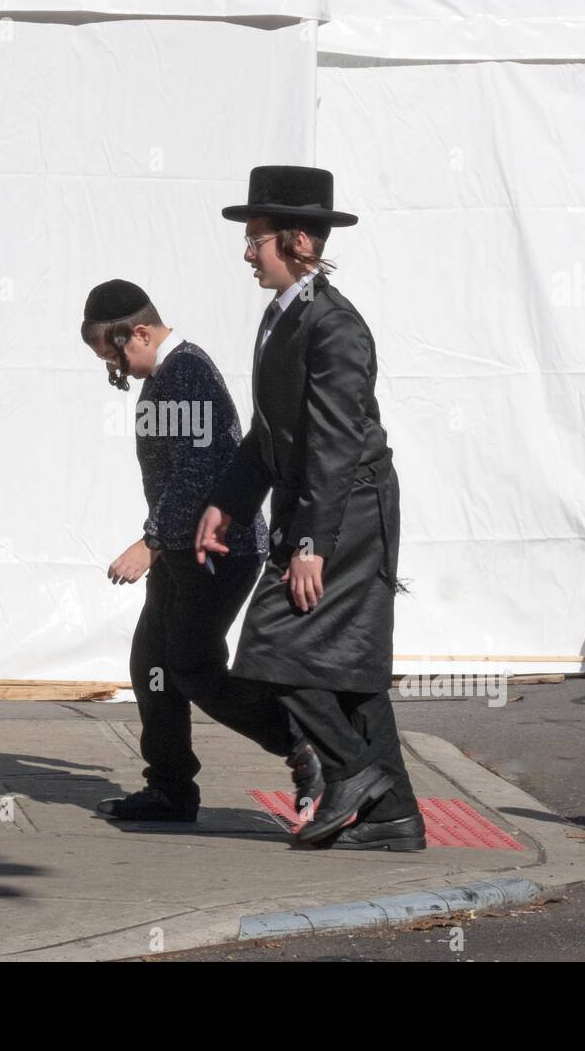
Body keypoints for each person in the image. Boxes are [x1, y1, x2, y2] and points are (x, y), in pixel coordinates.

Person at [195, 166, 425, 851]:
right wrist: (229, 502)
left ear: (295, 240)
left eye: (256, 239)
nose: (246, 253)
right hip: (324, 507)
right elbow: (274, 430)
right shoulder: (284, 315)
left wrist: (310, 544)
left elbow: (333, 441)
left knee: (272, 645)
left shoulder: (336, 327)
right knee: (347, 671)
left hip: (348, 511)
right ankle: (395, 820)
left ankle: (355, 774)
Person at [80, 279, 322, 823]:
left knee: (194, 668)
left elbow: (196, 473)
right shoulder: (168, 373)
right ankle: (170, 789)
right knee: (153, 664)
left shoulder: (183, 372)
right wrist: (162, 542)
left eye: (113, 354)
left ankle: (307, 745)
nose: (113, 369)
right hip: (182, 551)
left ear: (139, 331)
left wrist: (149, 543)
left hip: (218, 551)